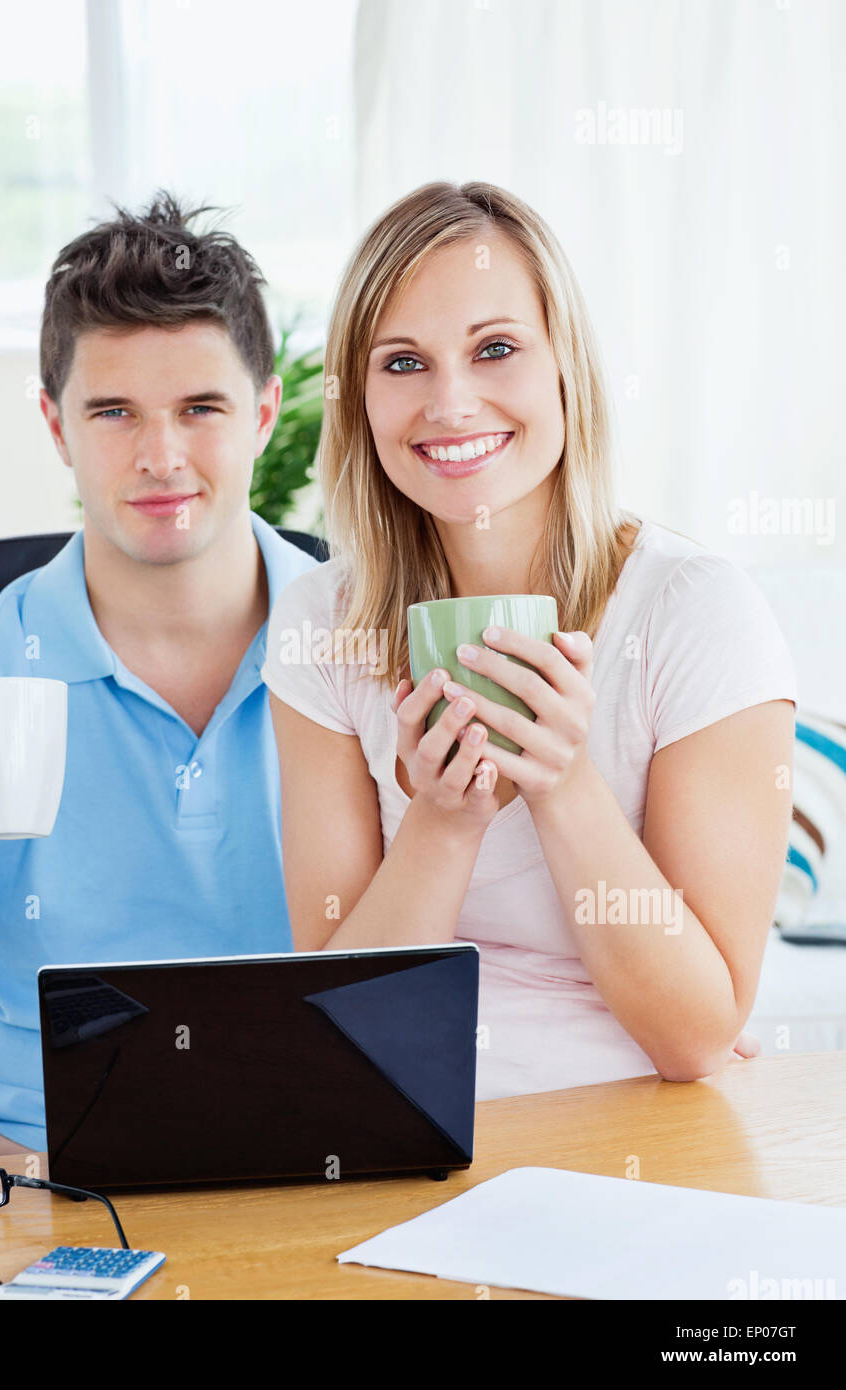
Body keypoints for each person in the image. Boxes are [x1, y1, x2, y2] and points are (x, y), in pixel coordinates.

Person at [261, 180, 795, 1100]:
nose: (451, 403)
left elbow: (696, 1037)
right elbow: (341, 1020)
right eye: (402, 363)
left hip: (633, 1122)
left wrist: (561, 783)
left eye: (495, 349)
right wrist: (442, 821)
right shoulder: (324, 625)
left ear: (564, 369)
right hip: (402, 1113)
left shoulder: (697, 612)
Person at [0, 191, 319, 1157]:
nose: (161, 455)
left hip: (314, 1158)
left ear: (262, 414)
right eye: (115, 412)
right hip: (39, 1179)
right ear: (57, 428)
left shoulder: (364, 651)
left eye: (200, 408)